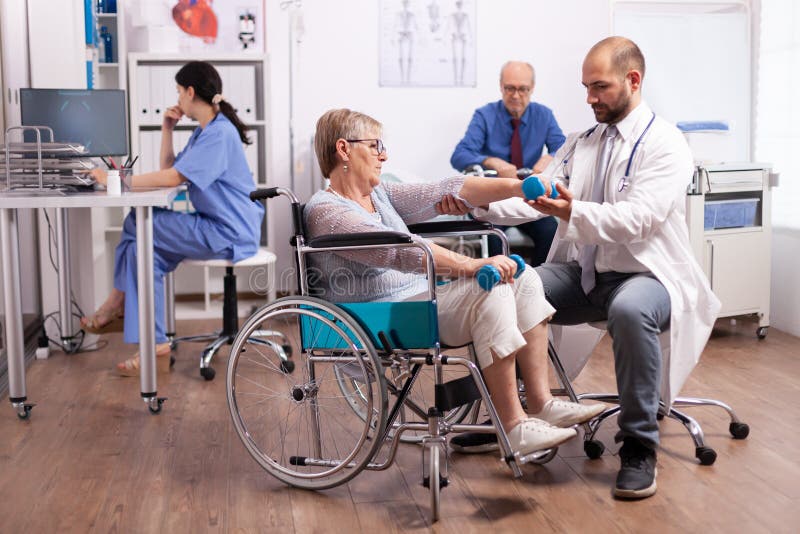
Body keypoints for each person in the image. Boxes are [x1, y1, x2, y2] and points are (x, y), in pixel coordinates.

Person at [442, 37, 721, 499]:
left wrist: (571, 211)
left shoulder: (667, 144)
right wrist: (478, 210)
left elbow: (639, 219)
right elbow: (535, 198)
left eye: (600, 87)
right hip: (586, 275)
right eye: (585, 87)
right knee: (508, 286)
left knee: (630, 311)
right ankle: (510, 420)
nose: (589, 98)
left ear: (633, 81)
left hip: (647, 277)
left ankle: (638, 446)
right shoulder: (581, 143)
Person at [304, 108, 605, 457]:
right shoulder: (325, 210)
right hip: (376, 319)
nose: (383, 154)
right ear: (344, 149)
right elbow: (398, 252)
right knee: (489, 290)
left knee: (524, 279)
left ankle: (541, 402)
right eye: (375, 145)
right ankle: (514, 425)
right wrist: (473, 265)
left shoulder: (381, 195)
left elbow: (445, 189)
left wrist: (518, 186)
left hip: (415, 304)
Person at [80, 61, 264, 376]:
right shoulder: (205, 132)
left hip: (228, 231)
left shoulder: (218, 134)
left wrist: (111, 178)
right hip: (216, 226)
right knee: (142, 253)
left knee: (137, 221)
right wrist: (166, 128)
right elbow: (171, 170)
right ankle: (156, 345)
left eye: (179, 92)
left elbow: (171, 179)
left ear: (191, 92)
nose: (177, 99)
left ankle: (114, 303)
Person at [450, 61, 565, 265]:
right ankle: (500, 290)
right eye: (510, 88)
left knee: (550, 232)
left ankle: (539, 286)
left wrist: (550, 158)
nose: (516, 95)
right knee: (494, 237)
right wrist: (492, 161)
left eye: (523, 89)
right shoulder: (485, 115)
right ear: (501, 86)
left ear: (532, 89)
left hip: (529, 199)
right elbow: (459, 155)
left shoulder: (544, 115)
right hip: (494, 198)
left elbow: (566, 150)